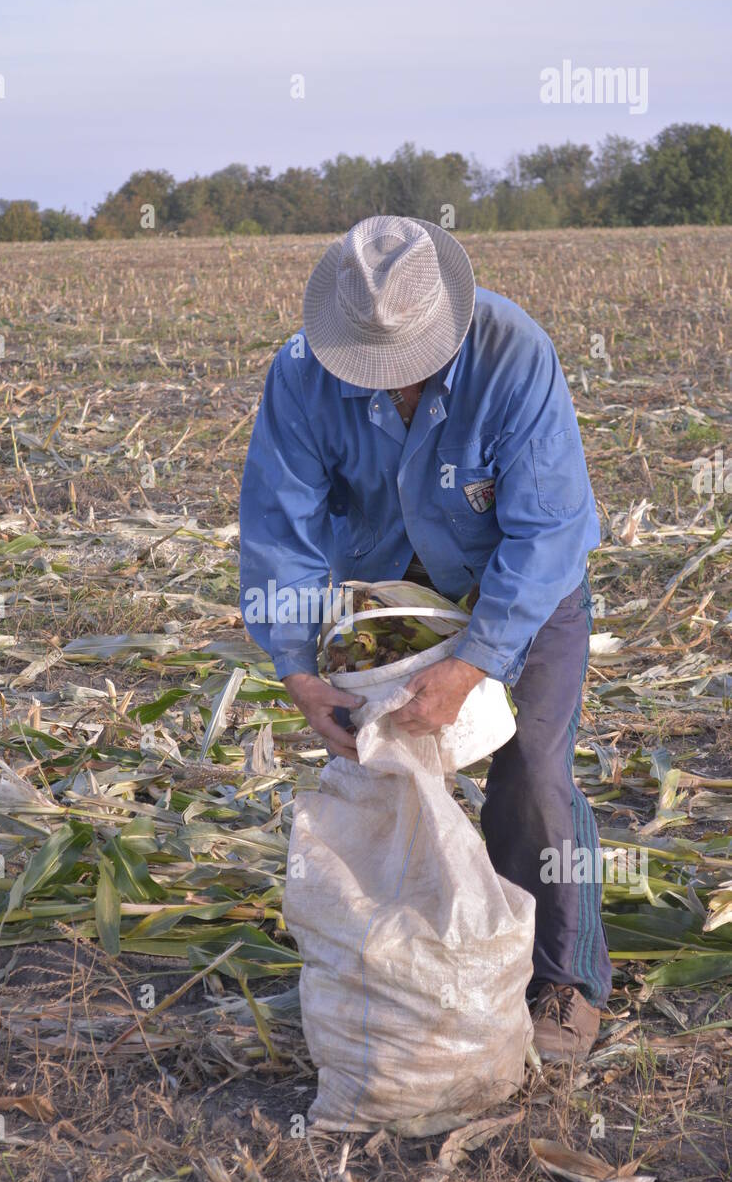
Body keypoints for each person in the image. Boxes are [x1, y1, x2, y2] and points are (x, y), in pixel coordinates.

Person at [239, 215, 610, 1061]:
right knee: (387, 770)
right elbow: (279, 530)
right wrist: (299, 672)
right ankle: (423, 964)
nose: (394, 381)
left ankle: (564, 979)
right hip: (389, 593)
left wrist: (477, 664)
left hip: (524, 583)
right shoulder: (301, 376)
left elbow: (546, 534)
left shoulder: (513, 353)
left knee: (533, 771)